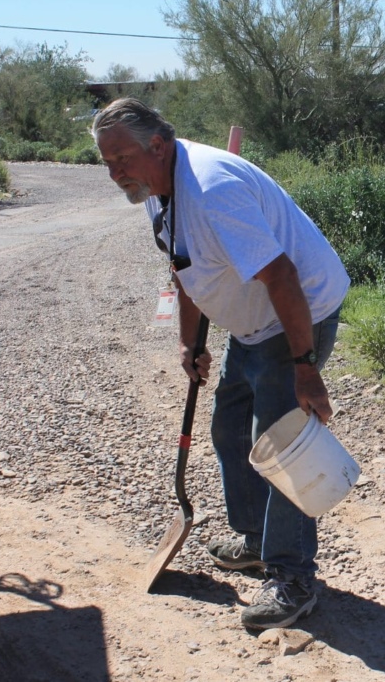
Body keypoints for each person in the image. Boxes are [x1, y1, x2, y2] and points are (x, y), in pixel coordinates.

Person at [92, 98, 349, 630]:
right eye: (107, 163)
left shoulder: (213, 192)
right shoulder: (156, 190)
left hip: (297, 312)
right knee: (230, 428)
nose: (115, 173)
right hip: (255, 321)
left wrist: (305, 367)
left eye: (121, 160)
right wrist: (190, 343)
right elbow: (185, 265)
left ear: (157, 146)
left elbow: (281, 277)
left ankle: (294, 577)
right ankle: (256, 540)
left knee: (281, 449)